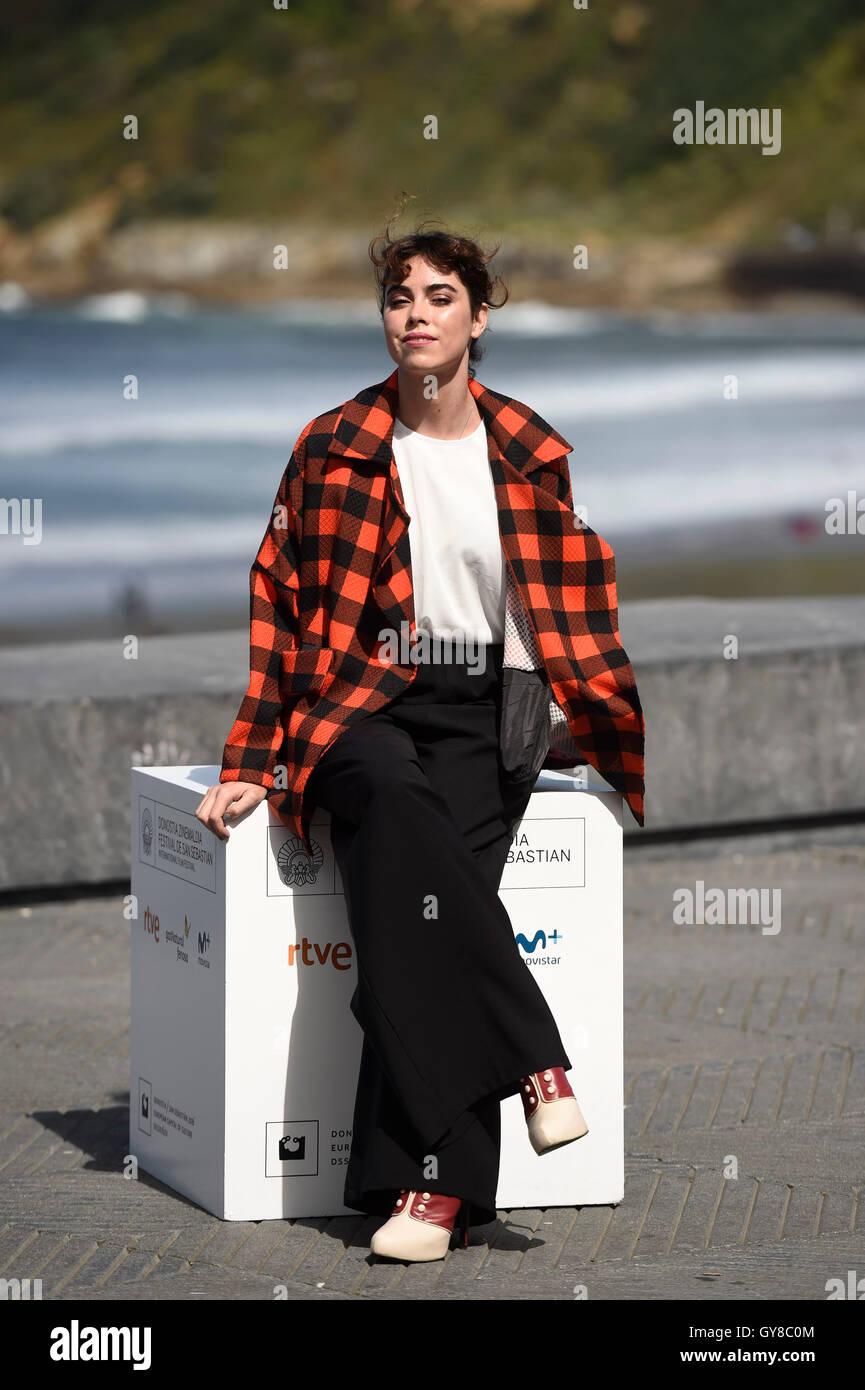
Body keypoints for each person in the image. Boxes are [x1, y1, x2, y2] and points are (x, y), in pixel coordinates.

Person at [195, 223, 645, 1263]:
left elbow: (555, 605)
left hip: (484, 708)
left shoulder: (529, 448)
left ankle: (428, 1198)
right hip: (359, 701)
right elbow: (278, 607)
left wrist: (567, 718)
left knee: (420, 923)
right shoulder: (332, 442)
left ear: (477, 318)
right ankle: (538, 1062)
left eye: (440, 297)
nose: (416, 314)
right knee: (396, 809)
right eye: (400, 297)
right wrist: (248, 757)